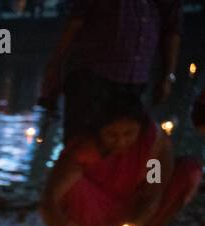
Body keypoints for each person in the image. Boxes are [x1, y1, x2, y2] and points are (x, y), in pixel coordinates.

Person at [41, 97, 201, 226]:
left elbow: (154, 190)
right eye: (112, 135)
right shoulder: (85, 150)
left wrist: (136, 225)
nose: (121, 142)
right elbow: (50, 199)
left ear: (140, 129)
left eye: (129, 133)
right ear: (98, 131)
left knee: (188, 172)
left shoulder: (153, 145)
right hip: (95, 210)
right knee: (72, 186)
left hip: (134, 206)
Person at [39, 0, 182, 144]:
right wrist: (55, 66)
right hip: (92, 76)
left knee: (124, 146)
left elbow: (172, 28)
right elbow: (76, 20)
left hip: (135, 80)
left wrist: (168, 76)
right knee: (82, 144)